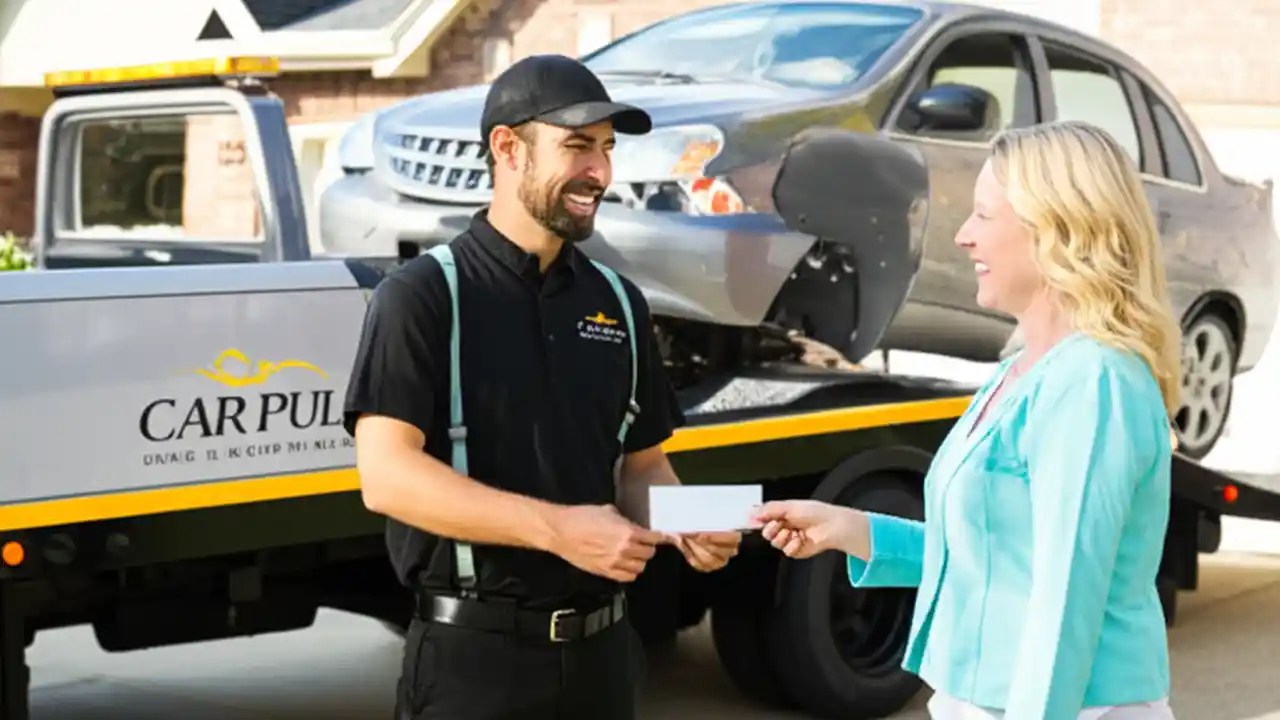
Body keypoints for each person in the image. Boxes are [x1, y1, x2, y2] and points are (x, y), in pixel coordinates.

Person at [343, 54, 742, 720]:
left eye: (608, 150)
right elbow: (386, 477)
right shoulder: (421, 297)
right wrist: (557, 530)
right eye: (578, 146)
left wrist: (687, 521)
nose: (601, 173)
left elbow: (641, 469)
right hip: (474, 666)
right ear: (509, 149)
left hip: (605, 660)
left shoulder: (619, 302)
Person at [752, 120, 1182, 720]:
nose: (962, 237)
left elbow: (1064, 600)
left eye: (983, 216)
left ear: (1055, 229)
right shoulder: (1023, 371)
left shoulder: (1094, 382)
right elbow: (992, 556)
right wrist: (847, 528)